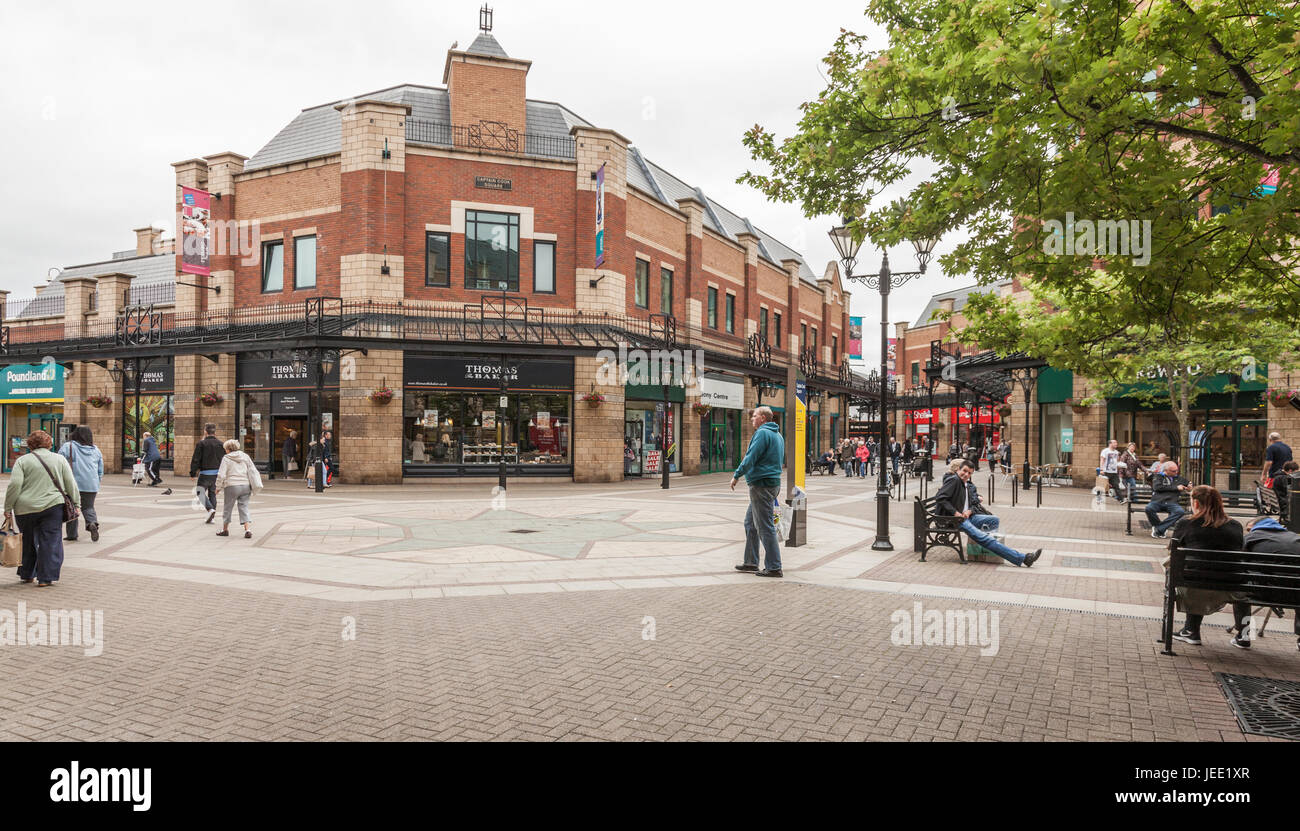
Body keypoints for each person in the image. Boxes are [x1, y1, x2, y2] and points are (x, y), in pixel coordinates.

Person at [1166, 486, 1249, 648]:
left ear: (1195, 503)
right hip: (1232, 584)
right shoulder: (1236, 525)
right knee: (1210, 571)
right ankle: (1245, 635)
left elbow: (1174, 551)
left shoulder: (1186, 523)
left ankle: (1191, 630)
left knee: (1188, 569)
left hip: (1193, 584)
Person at [5, 430, 80, 587]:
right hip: (52, 506)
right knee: (51, 541)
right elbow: (70, 483)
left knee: (28, 540)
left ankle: (27, 574)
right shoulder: (59, 459)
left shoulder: (22, 461)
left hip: (24, 509)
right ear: (49, 443)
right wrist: (77, 504)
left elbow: (15, 485)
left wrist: (8, 507)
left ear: (30, 445)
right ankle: (46, 578)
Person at [935, 460, 1042, 567]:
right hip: (954, 520)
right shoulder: (954, 480)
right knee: (984, 538)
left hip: (966, 517)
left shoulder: (964, 483)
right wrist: (956, 513)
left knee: (993, 520)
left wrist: (969, 510)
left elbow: (971, 503)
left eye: (969, 473)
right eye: (964, 471)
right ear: (958, 470)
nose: (966, 474)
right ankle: (1023, 558)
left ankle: (987, 549)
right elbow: (940, 498)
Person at [730, 406, 784, 578]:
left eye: (754, 416)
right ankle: (751, 562)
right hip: (772, 484)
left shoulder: (762, 433)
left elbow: (750, 457)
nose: (752, 419)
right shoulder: (778, 434)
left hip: (762, 485)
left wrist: (737, 475)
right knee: (750, 524)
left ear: (762, 418)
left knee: (764, 526)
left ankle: (774, 567)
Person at [1243, 515, 1300, 652]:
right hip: (1295, 594)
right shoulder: (1295, 538)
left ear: (1254, 526)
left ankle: (1243, 635)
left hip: (1261, 592)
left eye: (1248, 529)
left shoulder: (1251, 538)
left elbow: (1241, 564)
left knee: (1241, 589)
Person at [57, 426, 103, 542]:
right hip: (91, 484)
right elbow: (100, 470)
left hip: (73, 483)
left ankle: (72, 534)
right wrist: (97, 481)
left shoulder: (69, 446)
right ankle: (91, 523)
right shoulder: (96, 450)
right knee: (88, 507)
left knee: (71, 508)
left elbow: (58, 461)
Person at [214, 438, 263, 539]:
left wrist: (218, 487)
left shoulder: (226, 458)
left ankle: (225, 529)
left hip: (232, 486)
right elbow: (252, 470)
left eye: (226, 449)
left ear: (228, 449)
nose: (225, 450)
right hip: (245, 485)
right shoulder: (245, 456)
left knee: (228, 508)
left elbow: (221, 474)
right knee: (244, 507)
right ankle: (247, 530)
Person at [189, 423, 226, 524]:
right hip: (216, 474)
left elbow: (196, 459)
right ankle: (212, 517)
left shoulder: (201, 444)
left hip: (205, 473)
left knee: (200, 492)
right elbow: (224, 459)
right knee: (212, 494)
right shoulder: (221, 444)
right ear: (215, 432)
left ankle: (210, 509)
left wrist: (193, 473)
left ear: (205, 431)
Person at [1146, 461, 1190, 539]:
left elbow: (1189, 484)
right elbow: (1157, 487)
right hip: (1157, 501)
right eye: (1174, 471)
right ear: (1166, 470)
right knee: (1149, 508)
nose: (1176, 472)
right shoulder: (1158, 476)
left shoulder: (1179, 478)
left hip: (1172, 503)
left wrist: (1190, 486)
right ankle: (1160, 528)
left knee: (1180, 511)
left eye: (1177, 470)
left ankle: (1159, 529)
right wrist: (1176, 488)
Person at [1263, 431, 1292, 508]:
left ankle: (1272, 506)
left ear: (1270, 440)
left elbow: (1269, 462)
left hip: (1274, 475)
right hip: (1286, 475)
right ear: (1280, 438)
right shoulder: (1287, 447)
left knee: (1266, 490)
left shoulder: (1271, 447)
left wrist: (1263, 474)